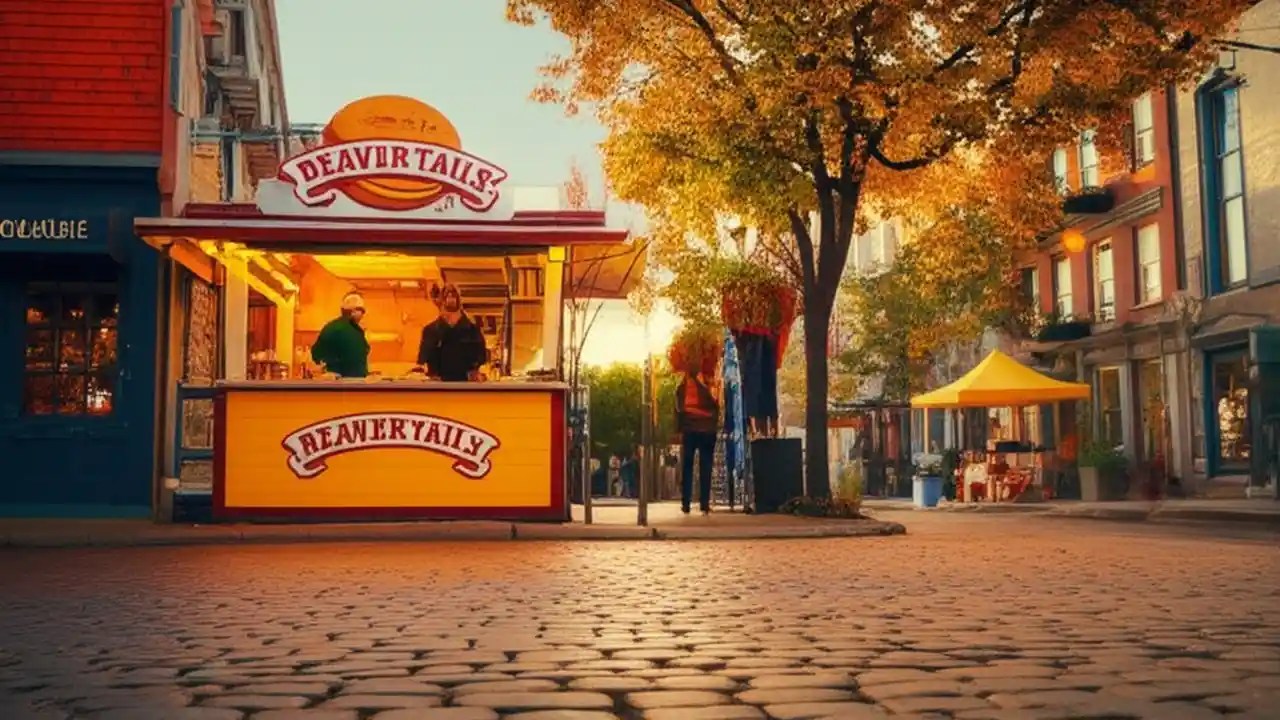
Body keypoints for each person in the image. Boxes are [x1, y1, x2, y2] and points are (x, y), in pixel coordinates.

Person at [417, 282, 487, 381]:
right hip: (437, 389)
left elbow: (483, 362)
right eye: (447, 296)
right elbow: (422, 362)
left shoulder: (473, 331)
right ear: (441, 302)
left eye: (454, 295)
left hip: (467, 389)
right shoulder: (430, 331)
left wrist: (479, 375)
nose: (450, 298)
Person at [676, 368, 720, 515]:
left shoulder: (682, 388)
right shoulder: (708, 384)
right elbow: (716, 404)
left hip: (691, 429)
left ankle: (686, 503)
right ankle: (704, 504)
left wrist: (679, 429)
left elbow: (679, 410)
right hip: (706, 429)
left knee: (687, 467)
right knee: (705, 467)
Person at [310, 291, 370, 378]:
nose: (363, 314)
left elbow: (316, 354)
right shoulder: (355, 331)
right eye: (362, 311)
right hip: (353, 384)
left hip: (337, 384)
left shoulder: (330, 328)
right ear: (353, 311)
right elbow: (364, 351)